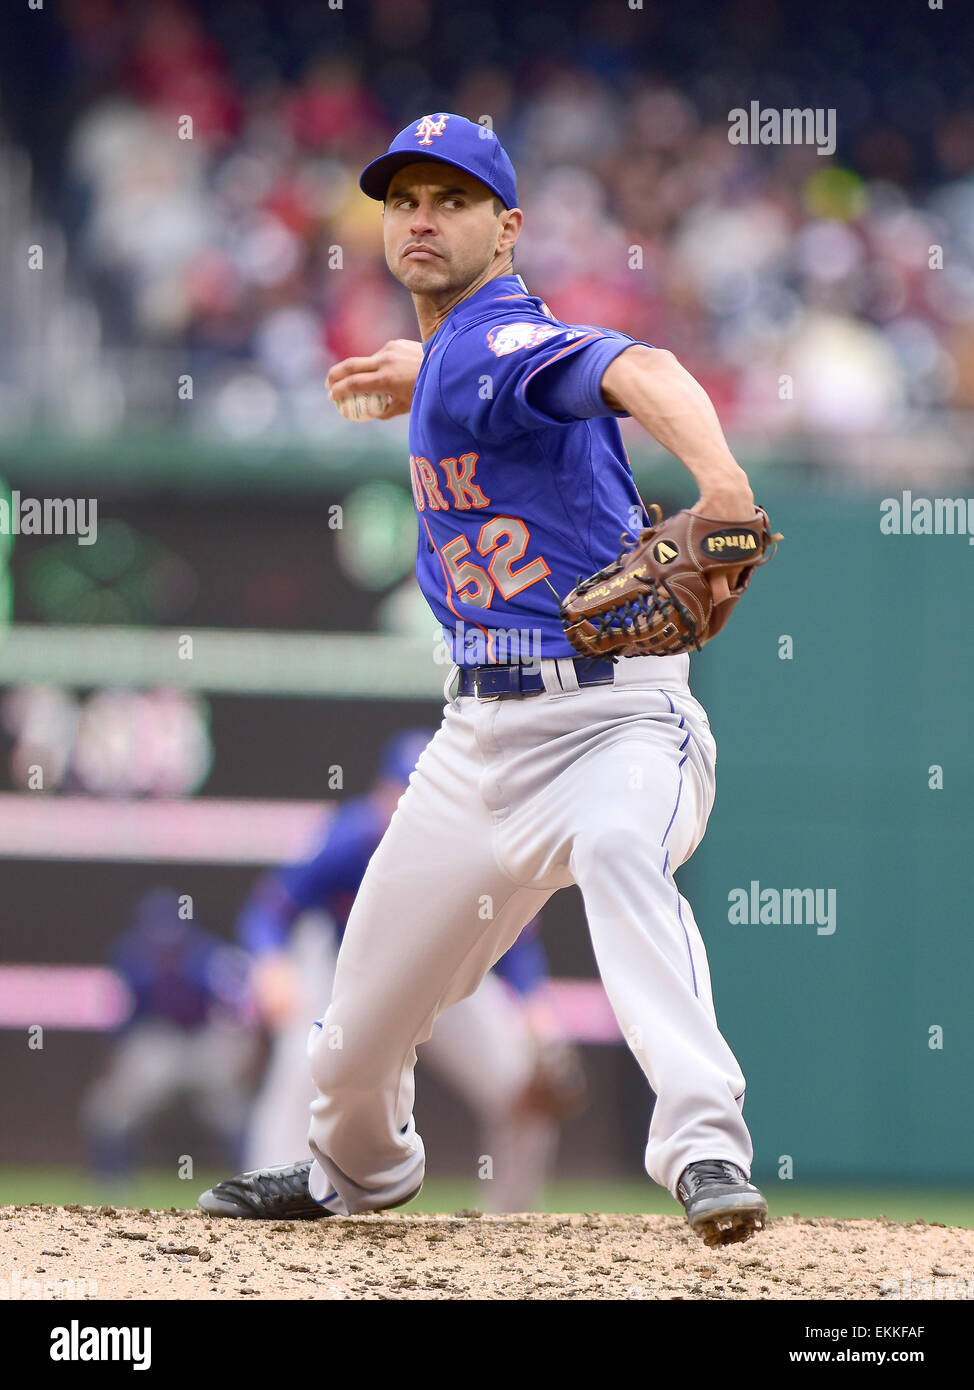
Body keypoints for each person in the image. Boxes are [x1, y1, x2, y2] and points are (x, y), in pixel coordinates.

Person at [200, 113, 767, 1246]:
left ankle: (703, 1144)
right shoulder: (461, 354)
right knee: (351, 1037)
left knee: (619, 850)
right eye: (404, 200)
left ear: (506, 229)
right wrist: (424, 374)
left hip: (613, 719)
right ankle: (358, 1172)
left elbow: (643, 367)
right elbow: (483, 374)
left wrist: (722, 487)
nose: (421, 218)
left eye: (452, 200)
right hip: (475, 747)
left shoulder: (497, 335)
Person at [239, 728, 584, 1211]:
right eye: (397, 791)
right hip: (349, 984)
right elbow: (269, 911)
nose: (403, 804)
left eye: (415, 792)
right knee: (302, 1064)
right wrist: (272, 963)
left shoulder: (475, 849)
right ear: (379, 793)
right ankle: (265, 1207)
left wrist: (535, 1010)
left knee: (527, 1081)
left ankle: (510, 1224)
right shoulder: (352, 840)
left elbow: (517, 947)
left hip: (446, 982)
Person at [84, 889, 254, 1184]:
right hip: (159, 1039)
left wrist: (241, 1054)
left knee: (234, 1112)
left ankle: (249, 1179)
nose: (166, 950)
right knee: (111, 1107)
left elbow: (239, 1016)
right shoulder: (130, 958)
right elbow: (124, 1020)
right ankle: (112, 1183)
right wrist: (118, 1057)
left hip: (204, 1038)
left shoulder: (210, 957)